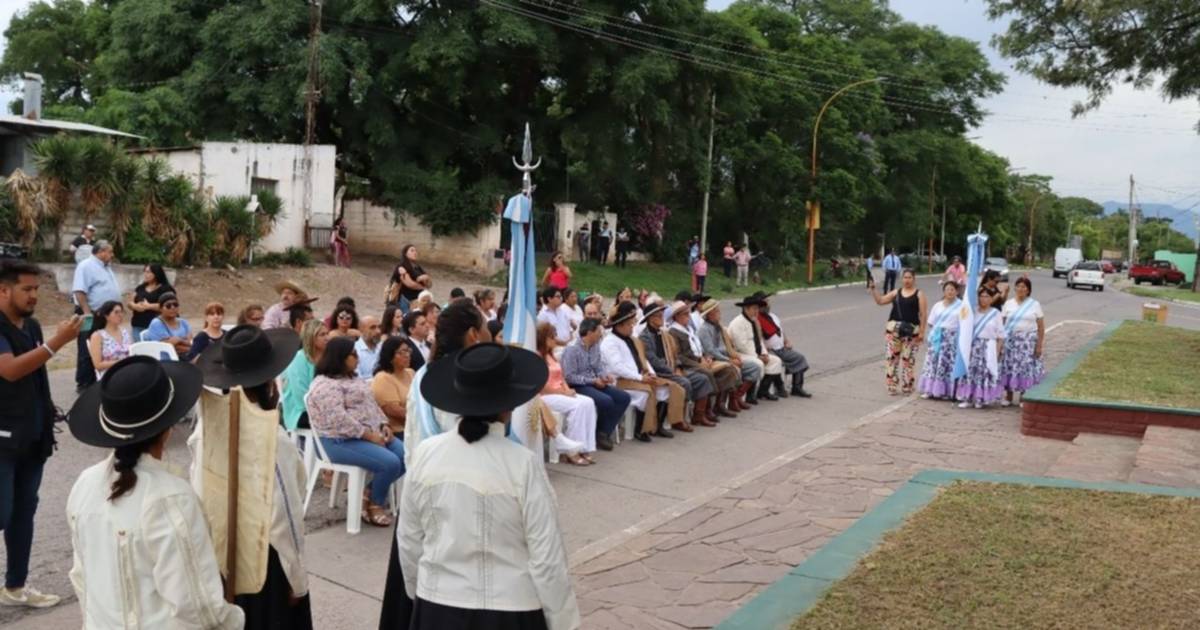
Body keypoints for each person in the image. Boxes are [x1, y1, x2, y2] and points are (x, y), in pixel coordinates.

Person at [398, 342, 581, 630]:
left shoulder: (425, 454)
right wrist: (561, 620)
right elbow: (546, 555)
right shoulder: (522, 463)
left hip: (437, 604)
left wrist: (417, 592)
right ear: (509, 406)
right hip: (511, 608)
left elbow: (409, 540)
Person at [65, 356, 244, 628]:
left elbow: (82, 578)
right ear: (167, 430)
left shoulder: (85, 483)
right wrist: (235, 620)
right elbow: (198, 606)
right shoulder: (170, 497)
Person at [379, 299, 493, 628]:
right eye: (485, 327)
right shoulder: (467, 380)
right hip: (458, 501)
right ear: (473, 335)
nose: (489, 333)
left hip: (420, 490)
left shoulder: (424, 375)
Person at [195, 325, 314, 629]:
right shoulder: (271, 438)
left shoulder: (207, 427)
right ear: (270, 384)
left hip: (220, 554)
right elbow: (283, 516)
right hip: (263, 563)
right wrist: (296, 578)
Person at [0, 261, 82, 609]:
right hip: (3, 439)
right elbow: (9, 370)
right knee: (2, 512)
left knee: (23, 512)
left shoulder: (31, 326)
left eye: (36, 289)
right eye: (27, 289)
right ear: (4, 290)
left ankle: (15, 586)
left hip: (32, 437)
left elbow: (35, 372)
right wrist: (58, 342)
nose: (34, 295)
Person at [307, 337, 405, 527]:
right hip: (337, 441)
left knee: (406, 455)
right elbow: (338, 419)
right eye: (353, 354)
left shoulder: (353, 378)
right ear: (340, 357)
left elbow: (371, 405)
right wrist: (369, 435)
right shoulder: (324, 385)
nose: (358, 358)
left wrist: (383, 424)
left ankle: (367, 494)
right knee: (390, 462)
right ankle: (376, 503)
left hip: (367, 434)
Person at [601, 302, 683, 442]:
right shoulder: (610, 342)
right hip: (620, 381)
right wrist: (640, 378)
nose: (632, 326)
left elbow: (643, 360)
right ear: (619, 326)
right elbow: (617, 368)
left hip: (638, 377)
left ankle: (657, 426)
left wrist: (651, 373)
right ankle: (640, 429)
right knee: (645, 393)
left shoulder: (632, 340)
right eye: (629, 324)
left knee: (667, 388)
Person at [560, 318, 629, 452]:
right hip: (578, 385)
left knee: (623, 397)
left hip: (594, 382)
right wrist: (593, 381)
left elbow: (598, 366)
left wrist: (604, 376)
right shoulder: (572, 349)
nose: (601, 334)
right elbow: (569, 377)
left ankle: (603, 432)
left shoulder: (595, 346)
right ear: (590, 332)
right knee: (606, 401)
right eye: (598, 331)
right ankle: (599, 434)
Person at [537, 324, 598, 464]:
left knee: (589, 402)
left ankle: (584, 447)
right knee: (577, 406)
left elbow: (561, 377)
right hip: (546, 396)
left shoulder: (551, 356)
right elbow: (542, 387)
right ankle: (571, 452)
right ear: (543, 338)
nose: (555, 339)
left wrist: (567, 390)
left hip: (560, 392)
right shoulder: (537, 356)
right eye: (552, 337)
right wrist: (563, 393)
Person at [72, 239, 121, 391]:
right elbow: (79, 290)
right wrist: (87, 313)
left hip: (105, 315)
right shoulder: (86, 266)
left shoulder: (106, 267)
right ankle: (85, 383)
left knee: (102, 346)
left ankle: (99, 380)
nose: (112, 255)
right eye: (110, 252)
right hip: (91, 314)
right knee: (87, 347)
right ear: (101, 252)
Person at [870, 268, 927, 396]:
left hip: (911, 333)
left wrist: (922, 332)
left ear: (914, 279)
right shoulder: (896, 292)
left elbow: (923, 314)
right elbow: (880, 301)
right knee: (891, 359)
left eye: (909, 277)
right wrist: (873, 290)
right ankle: (892, 385)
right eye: (905, 277)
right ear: (902, 279)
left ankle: (907, 385)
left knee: (908, 360)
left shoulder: (919, 294)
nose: (907, 280)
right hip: (893, 331)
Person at [697, 299, 758, 407]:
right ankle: (720, 404)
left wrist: (734, 355)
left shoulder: (718, 327)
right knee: (732, 370)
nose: (720, 313)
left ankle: (737, 397)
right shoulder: (704, 329)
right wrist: (729, 360)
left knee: (754, 367)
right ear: (710, 314)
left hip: (723, 357)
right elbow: (711, 351)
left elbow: (724, 347)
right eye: (717, 311)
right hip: (712, 359)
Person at [728, 294, 784, 402]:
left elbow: (759, 341)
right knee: (758, 364)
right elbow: (742, 345)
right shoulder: (737, 323)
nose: (756, 311)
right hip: (740, 354)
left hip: (755, 353)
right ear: (746, 309)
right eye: (754, 308)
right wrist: (757, 357)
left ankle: (762, 391)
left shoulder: (753, 321)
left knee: (776, 361)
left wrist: (764, 353)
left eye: (757, 308)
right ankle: (744, 396)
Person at [999, 276, 1044, 407]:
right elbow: (1001, 324)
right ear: (1015, 288)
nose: (1021, 289)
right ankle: (1008, 396)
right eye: (1018, 286)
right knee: (1009, 367)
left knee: (1025, 368)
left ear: (1028, 290)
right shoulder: (1008, 304)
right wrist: (1000, 344)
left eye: (1024, 287)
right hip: (1010, 342)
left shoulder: (1035, 305)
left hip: (1027, 342)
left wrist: (1039, 345)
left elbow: (1041, 327)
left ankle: (1023, 396)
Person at [958, 288, 1005, 409]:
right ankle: (968, 398)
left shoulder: (996, 313)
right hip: (974, 347)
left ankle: (981, 399)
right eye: (981, 296)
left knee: (985, 373)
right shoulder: (973, 312)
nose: (984, 299)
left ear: (991, 299)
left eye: (987, 296)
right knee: (970, 372)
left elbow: (1000, 335)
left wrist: (997, 351)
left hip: (989, 346)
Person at [759, 295, 812, 398]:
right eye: (765, 302)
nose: (768, 304)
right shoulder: (757, 319)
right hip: (769, 350)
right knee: (776, 362)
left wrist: (786, 341)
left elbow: (781, 331)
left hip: (782, 349)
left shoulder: (774, 316)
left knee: (799, 358)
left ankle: (797, 388)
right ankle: (779, 388)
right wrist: (764, 349)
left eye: (768, 302)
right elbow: (758, 337)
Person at [918, 281, 963, 400]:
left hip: (952, 340)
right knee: (933, 363)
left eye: (952, 289)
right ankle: (929, 389)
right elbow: (931, 322)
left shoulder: (962, 306)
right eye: (947, 289)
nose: (950, 292)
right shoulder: (937, 305)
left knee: (947, 364)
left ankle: (946, 391)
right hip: (937, 338)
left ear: (957, 291)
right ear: (944, 291)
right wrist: (937, 334)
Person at [281, 319, 329, 431]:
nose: (327, 338)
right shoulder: (299, 358)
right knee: (337, 421)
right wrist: (325, 408)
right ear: (311, 337)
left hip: (327, 407)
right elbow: (300, 395)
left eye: (327, 333)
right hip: (301, 410)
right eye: (322, 335)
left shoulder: (328, 357)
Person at [372, 336, 414, 435]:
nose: (407, 355)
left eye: (408, 351)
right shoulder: (383, 378)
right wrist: (422, 418)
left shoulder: (411, 372)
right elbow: (395, 412)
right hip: (399, 431)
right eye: (402, 352)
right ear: (390, 356)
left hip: (416, 424)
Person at [87, 300, 132, 378]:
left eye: (121, 312)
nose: (120, 315)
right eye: (116, 312)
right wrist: (121, 362)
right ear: (106, 316)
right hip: (110, 374)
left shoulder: (124, 332)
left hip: (128, 370)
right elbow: (98, 365)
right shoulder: (97, 336)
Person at [129, 264, 172, 342]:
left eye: (148, 272)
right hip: (138, 326)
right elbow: (130, 302)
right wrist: (135, 306)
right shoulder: (140, 288)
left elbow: (170, 306)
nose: (145, 274)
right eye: (144, 272)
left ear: (156, 273)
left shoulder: (166, 288)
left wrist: (149, 306)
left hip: (158, 327)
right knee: (140, 348)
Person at [142, 292, 192, 357]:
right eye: (168, 306)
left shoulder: (183, 322)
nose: (173, 307)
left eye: (175, 305)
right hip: (166, 359)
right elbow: (168, 347)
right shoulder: (157, 324)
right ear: (160, 309)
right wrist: (185, 343)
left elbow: (189, 342)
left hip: (185, 356)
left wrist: (178, 340)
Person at [388, 244, 431, 314]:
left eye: (416, 251)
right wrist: (423, 286)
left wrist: (426, 278)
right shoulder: (401, 266)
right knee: (405, 317)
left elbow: (429, 284)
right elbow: (410, 284)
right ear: (405, 253)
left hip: (417, 300)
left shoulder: (417, 267)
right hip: (405, 300)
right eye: (412, 250)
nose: (415, 252)